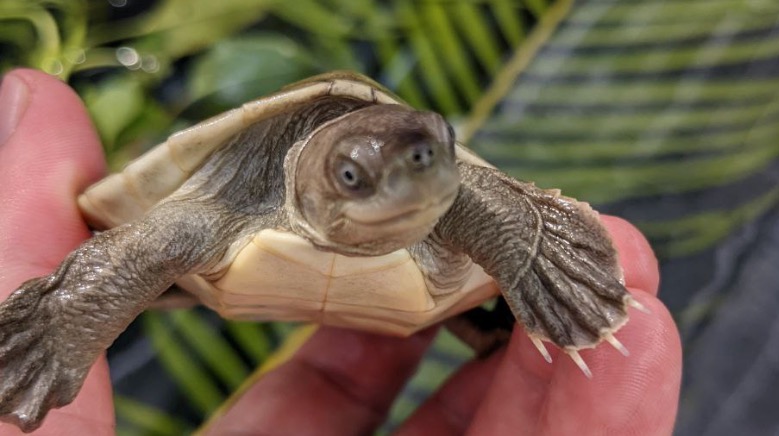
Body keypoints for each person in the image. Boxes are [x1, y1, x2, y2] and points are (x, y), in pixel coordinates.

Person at [0, 69, 681, 435]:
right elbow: (142, 245)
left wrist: (533, 251)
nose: (422, 178)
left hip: (424, 278)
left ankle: (495, 319)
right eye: (356, 177)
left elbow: (473, 195)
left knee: (498, 239)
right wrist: (57, 336)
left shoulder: (447, 192)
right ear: (325, 175)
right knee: (145, 252)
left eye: (433, 156)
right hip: (230, 215)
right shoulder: (211, 210)